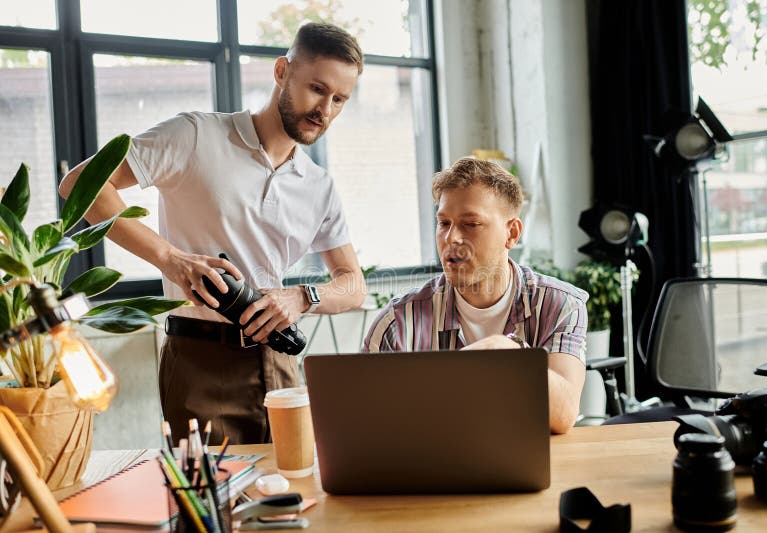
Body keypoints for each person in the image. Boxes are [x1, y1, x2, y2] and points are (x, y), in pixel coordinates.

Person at [59, 23, 366, 444]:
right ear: (282, 72)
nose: (325, 110)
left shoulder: (319, 186)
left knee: (288, 498)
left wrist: (303, 297)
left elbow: (354, 286)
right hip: (198, 358)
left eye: (339, 100)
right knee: (206, 503)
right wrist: (170, 258)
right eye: (317, 89)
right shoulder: (195, 135)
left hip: (279, 359)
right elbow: (80, 185)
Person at [363, 157, 588, 434]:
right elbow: (365, 423)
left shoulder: (559, 305)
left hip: (529, 468)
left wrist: (510, 354)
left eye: (470, 224)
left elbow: (564, 414)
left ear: (512, 233)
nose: (451, 238)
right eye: (444, 223)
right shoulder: (398, 322)